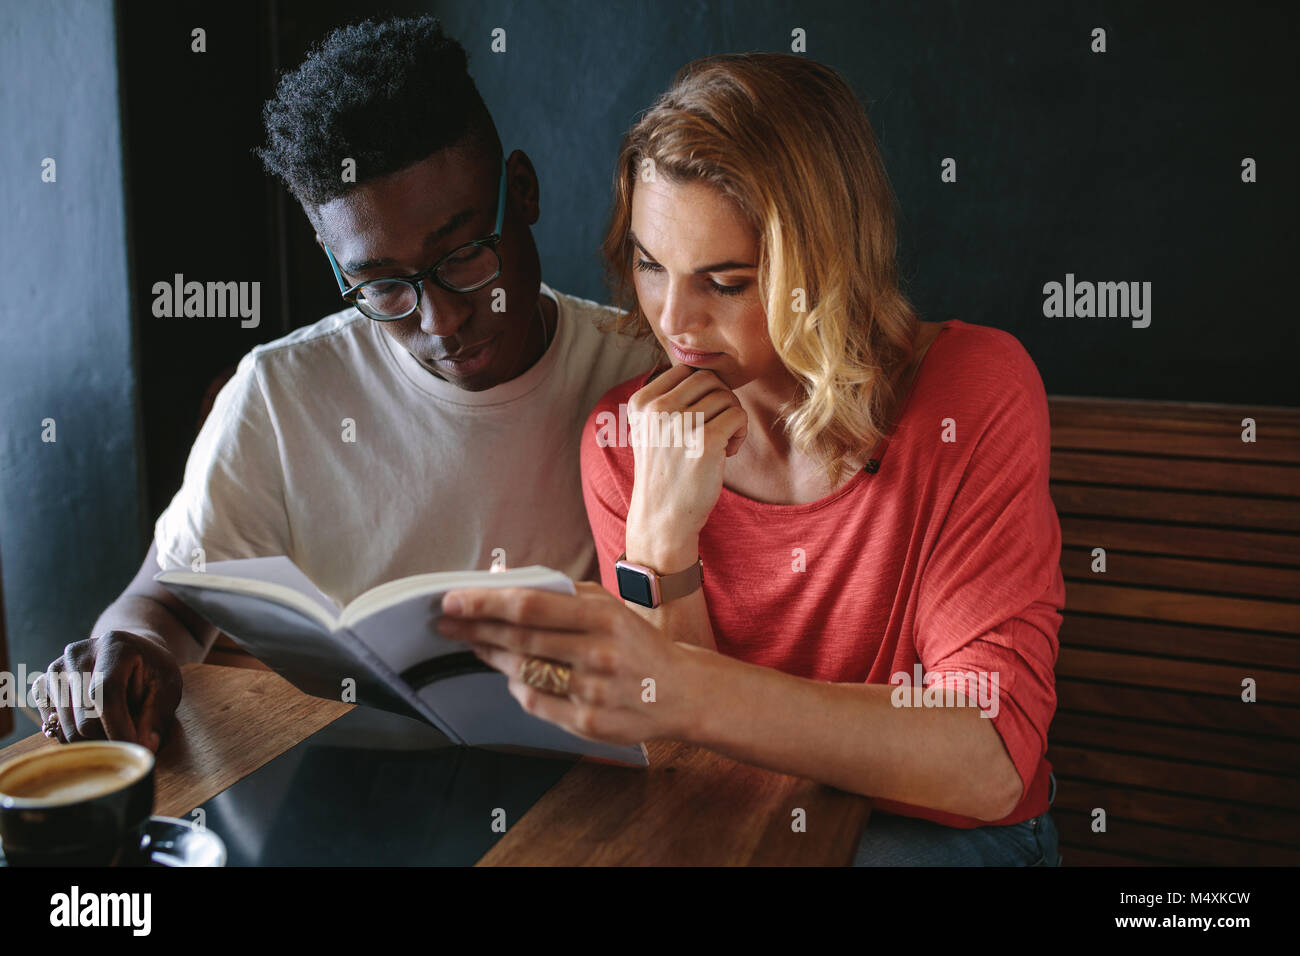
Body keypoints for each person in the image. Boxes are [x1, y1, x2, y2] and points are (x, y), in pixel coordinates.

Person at [437, 52, 1065, 865]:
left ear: (826, 271)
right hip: (732, 830)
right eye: (650, 264)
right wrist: (660, 540)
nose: (675, 320)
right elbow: (673, 750)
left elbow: (985, 765)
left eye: (727, 282)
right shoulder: (623, 442)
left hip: (937, 836)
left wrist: (685, 688)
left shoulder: (970, 393)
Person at [33, 16, 655, 751]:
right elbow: (164, 601)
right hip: (352, 792)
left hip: (574, 799)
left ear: (521, 192)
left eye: (462, 256)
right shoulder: (279, 395)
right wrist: (130, 649)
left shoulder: (639, 372)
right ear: (337, 266)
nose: (442, 316)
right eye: (384, 285)